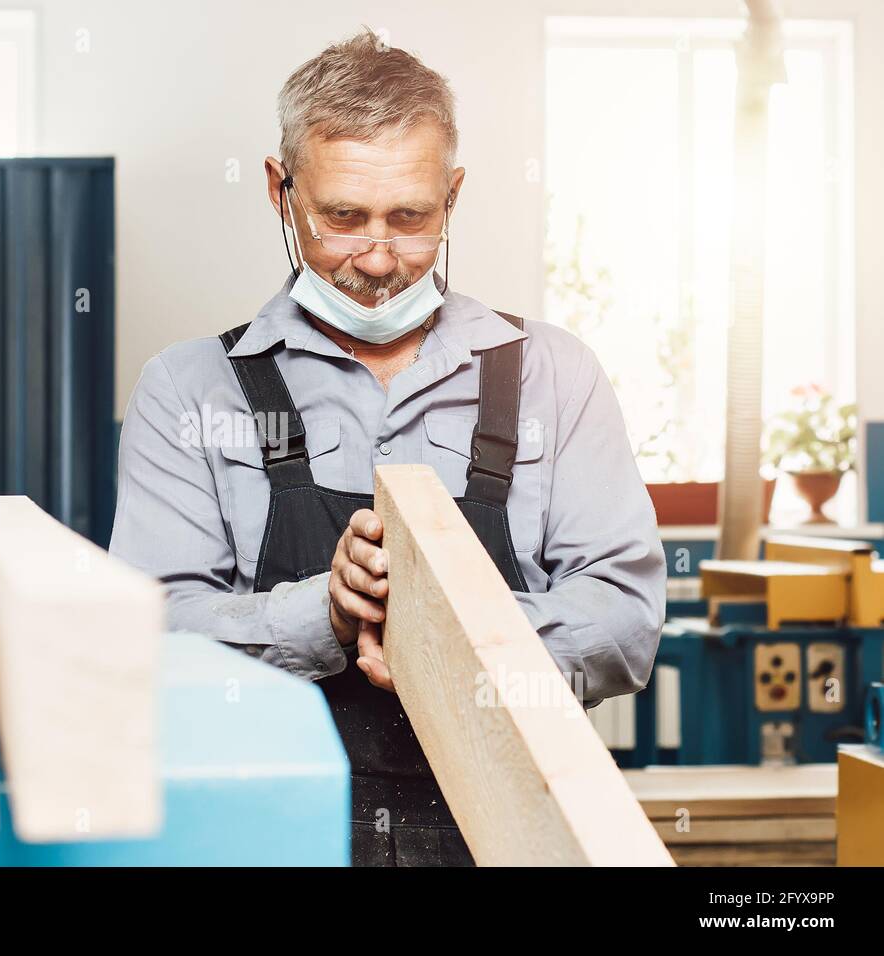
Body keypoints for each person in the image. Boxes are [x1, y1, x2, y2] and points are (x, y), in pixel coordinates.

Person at [109, 28, 666, 866]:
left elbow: (625, 620)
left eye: (411, 218)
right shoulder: (188, 389)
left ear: (455, 194)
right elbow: (153, 639)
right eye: (342, 218)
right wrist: (322, 613)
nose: (376, 258)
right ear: (279, 189)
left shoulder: (554, 375)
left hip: (508, 832)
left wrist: (453, 637)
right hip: (276, 836)